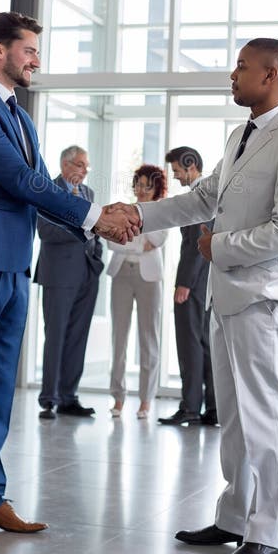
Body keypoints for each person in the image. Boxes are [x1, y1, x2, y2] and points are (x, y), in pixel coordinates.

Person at [0, 11, 136, 551]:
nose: (36, 59)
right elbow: (18, 180)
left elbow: (40, 184)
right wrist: (95, 220)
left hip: (16, 263)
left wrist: (97, 217)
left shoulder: (20, 116)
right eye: (29, 50)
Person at [109, 38, 278, 554]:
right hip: (229, 297)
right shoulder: (240, 136)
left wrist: (216, 248)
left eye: (242, 67)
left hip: (264, 299)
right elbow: (203, 199)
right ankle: (234, 517)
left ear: (271, 74)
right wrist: (136, 212)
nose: (233, 75)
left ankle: (268, 532)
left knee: (266, 417)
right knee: (233, 416)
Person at [35, 145, 103, 420]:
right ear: (65, 165)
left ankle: (68, 397)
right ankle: (49, 399)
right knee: (56, 337)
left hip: (87, 273)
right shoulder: (47, 190)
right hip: (59, 275)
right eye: (79, 164)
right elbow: (45, 230)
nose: (84, 170)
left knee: (78, 337)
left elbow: (95, 231)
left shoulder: (89, 194)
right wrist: (83, 230)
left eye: (86, 166)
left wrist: (96, 257)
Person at [158, 146, 217, 426]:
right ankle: (212, 408)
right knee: (205, 344)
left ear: (190, 165)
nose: (175, 175)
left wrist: (184, 283)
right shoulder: (208, 193)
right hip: (207, 283)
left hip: (194, 283)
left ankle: (191, 407)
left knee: (190, 344)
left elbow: (195, 244)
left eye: (177, 169)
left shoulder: (198, 195)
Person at [108, 165, 168, 421]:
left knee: (148, 339)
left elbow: (156, 241)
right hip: (121, 275)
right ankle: (118, 397)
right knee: (119, 338)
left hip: (149, 279)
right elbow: (112, 240)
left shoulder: (162, 213)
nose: (141, 190)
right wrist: (135, 240)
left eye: (147, 186)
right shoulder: (121, 209)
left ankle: (146, 400)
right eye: (138, 185)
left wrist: (129, 238)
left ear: (156, 189)